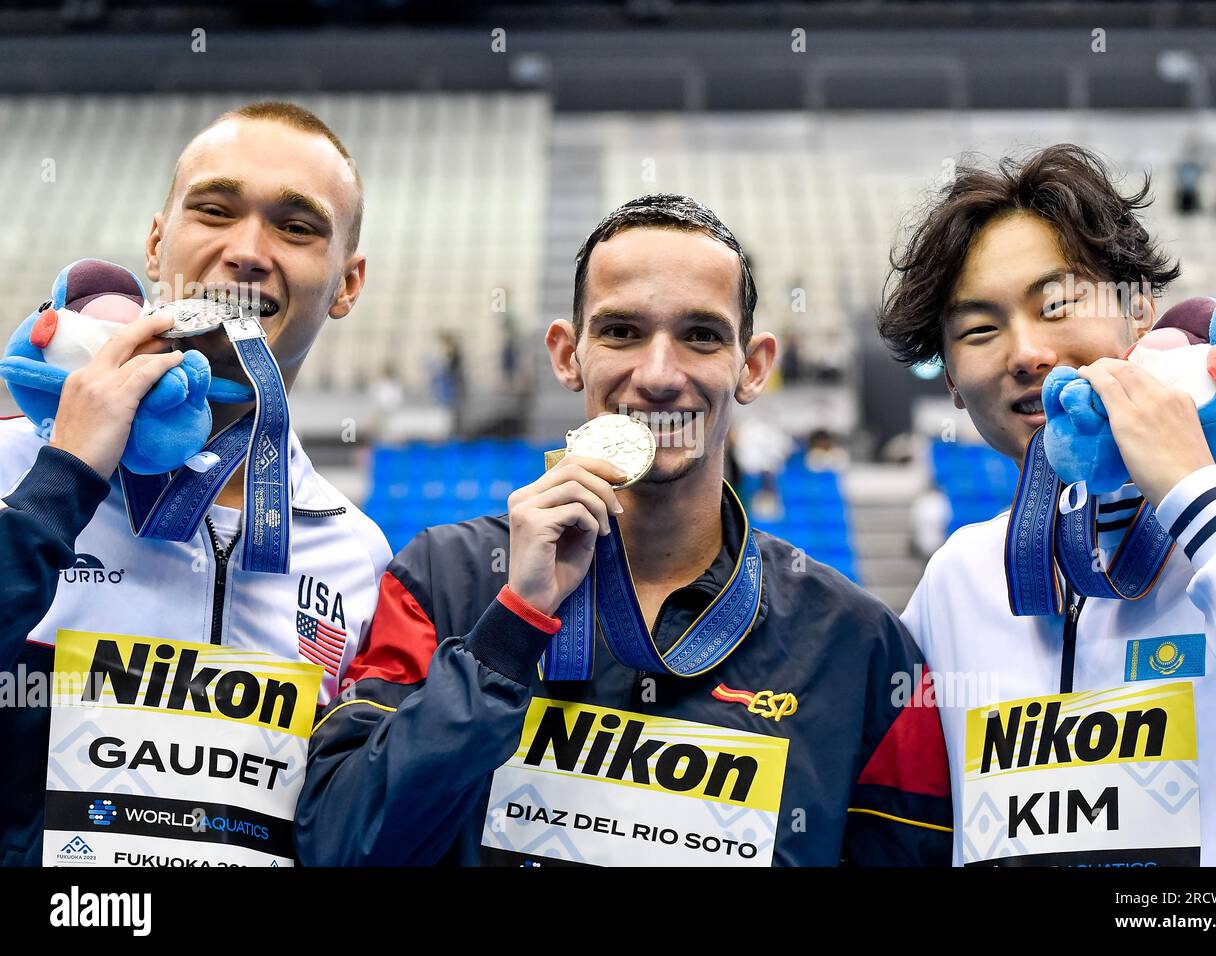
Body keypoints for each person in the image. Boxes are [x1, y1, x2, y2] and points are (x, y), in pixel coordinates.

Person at [296, 194, 952, 867]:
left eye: (701, 335)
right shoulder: (443, 579)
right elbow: (339, 847)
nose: (660, 375)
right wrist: (512, 629)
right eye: (621, 332)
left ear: (752, 366)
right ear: (566, 354)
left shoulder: (857, 645)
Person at [879, 144, 1216, 866]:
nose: (1027, 352)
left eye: (1057, 304)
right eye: (979, 329)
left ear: (1141, 312)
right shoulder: (957, 579)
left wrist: (1200, 503)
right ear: (951, 381)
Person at [0, 101, 391, 865]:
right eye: (214, 210)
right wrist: (65, 480)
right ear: (156, 243)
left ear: (348, 284)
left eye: (296, 227)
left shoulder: (358, 556)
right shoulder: (14, 472)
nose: (246, 251)